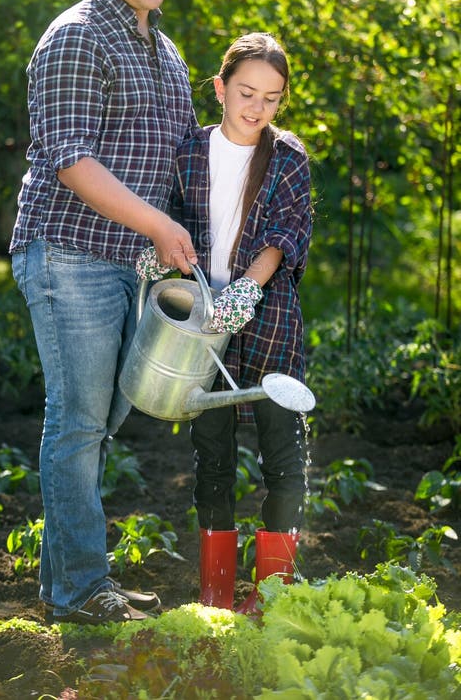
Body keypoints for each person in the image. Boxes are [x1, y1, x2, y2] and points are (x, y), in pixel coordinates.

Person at [9, 0, 198, 625]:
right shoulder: (77, 36)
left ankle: (74, 585)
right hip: (70, 254)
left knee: (100, 421)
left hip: (133, 265)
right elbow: (70, 161)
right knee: (80, 421)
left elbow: (178, 160)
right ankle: (83, 588)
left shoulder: (164, 49)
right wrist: (157, 226)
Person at [137, 31, 313, 612]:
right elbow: (168, 221)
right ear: (220, 88)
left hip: (267, 323)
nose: (256, 107)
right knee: (211, 458)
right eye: (245, 92)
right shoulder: (189, 151)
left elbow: (283, 237)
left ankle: (273, 600)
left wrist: (246, 290)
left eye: (271, 96)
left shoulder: (288, 159)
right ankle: (215, 597)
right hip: (202, 332)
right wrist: (161, 258)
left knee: (282, 459)